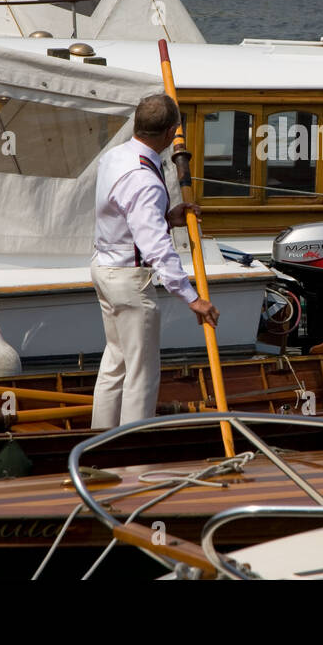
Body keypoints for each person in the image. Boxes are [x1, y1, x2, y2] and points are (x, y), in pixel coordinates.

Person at [91, 94, 218, 427]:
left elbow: (128, 216)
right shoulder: (145, 179)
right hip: (129, 282)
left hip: (105, 269)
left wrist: (167, 215)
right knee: (141, 374)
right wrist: (192, 298)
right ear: (170, 133)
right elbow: (156, 247)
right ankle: (134, 454)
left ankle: (98, 440)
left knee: (116, 363)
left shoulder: (115, 157)